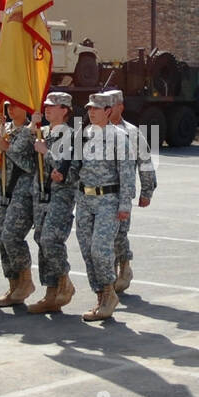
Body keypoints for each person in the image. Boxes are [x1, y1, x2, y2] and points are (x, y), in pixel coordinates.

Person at [73, 93, 136, 320]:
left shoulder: (119, 138)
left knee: (100, 249)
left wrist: (125, 205)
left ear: (108, 111)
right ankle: (101, 297)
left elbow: (127, 174)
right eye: (89, 108)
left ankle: (110, 294)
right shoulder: (83, 135)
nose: (91, 112)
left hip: (108, 201)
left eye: (96, 109)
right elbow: (74, 167)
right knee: (87, 251)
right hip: (84, 200)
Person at [27, 92, 78, 313]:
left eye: (52, 106)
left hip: (60, 195)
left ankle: (64, 281)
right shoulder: (40, 132)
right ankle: (50, 291)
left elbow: (72, 170)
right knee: (40, 240)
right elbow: (21, 160)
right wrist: (30, 130)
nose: (47, 109)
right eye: (46, 105)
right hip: (40, 195)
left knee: (50, 239)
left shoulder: (72, 136)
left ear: (64, 110)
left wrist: (46, 152)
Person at [104, 89, 156, 293]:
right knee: (103, 238)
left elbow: (145, 163)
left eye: (111, 105)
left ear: (120, 107)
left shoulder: (132, 133)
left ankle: (124, 267)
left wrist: (147, 191)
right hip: (99, 195)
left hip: (122, 193)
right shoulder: (95, 131)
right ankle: (110, 275)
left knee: (119, 235)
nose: (107, 109)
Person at [0, 101, 40, 308]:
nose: (10, 110)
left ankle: (25, 280)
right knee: (1, 237)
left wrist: (8, 149)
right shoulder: (5, 128)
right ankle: (13, 284)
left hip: (22, 190)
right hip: (1, 189)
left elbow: (28, 161)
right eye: (7, 106)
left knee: (11, 236)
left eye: (15, 105)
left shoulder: (33, 131)